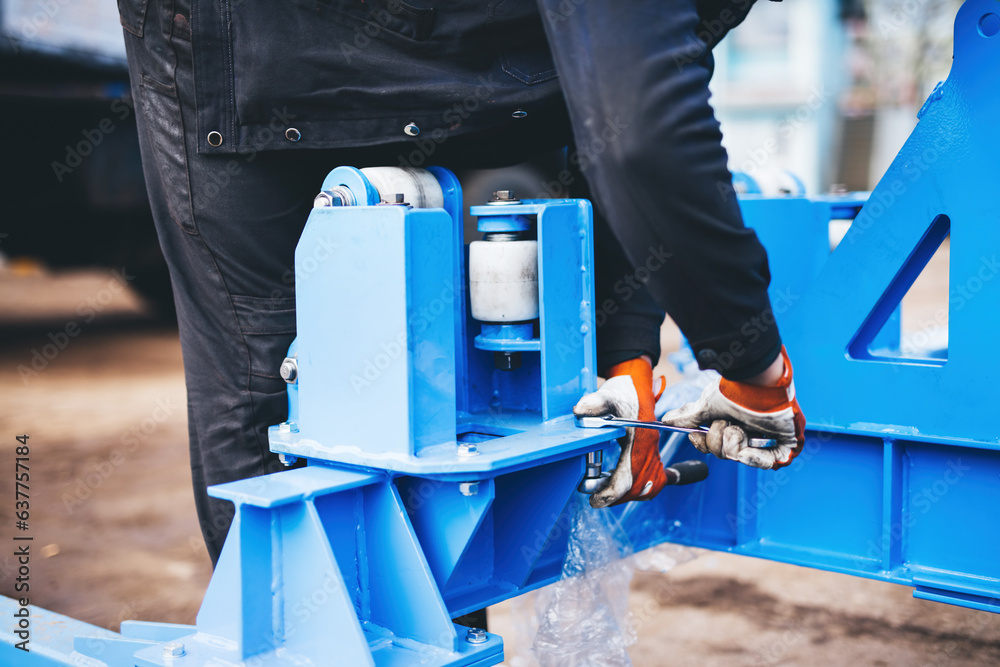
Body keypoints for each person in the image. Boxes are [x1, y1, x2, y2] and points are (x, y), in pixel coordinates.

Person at [118, 0, 803, 564]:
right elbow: (642, 137)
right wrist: (752, 368)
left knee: (430, 405)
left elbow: (611, 100)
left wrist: (626, 349)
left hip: (442, 49)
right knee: (267, 399)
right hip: (235, 49)